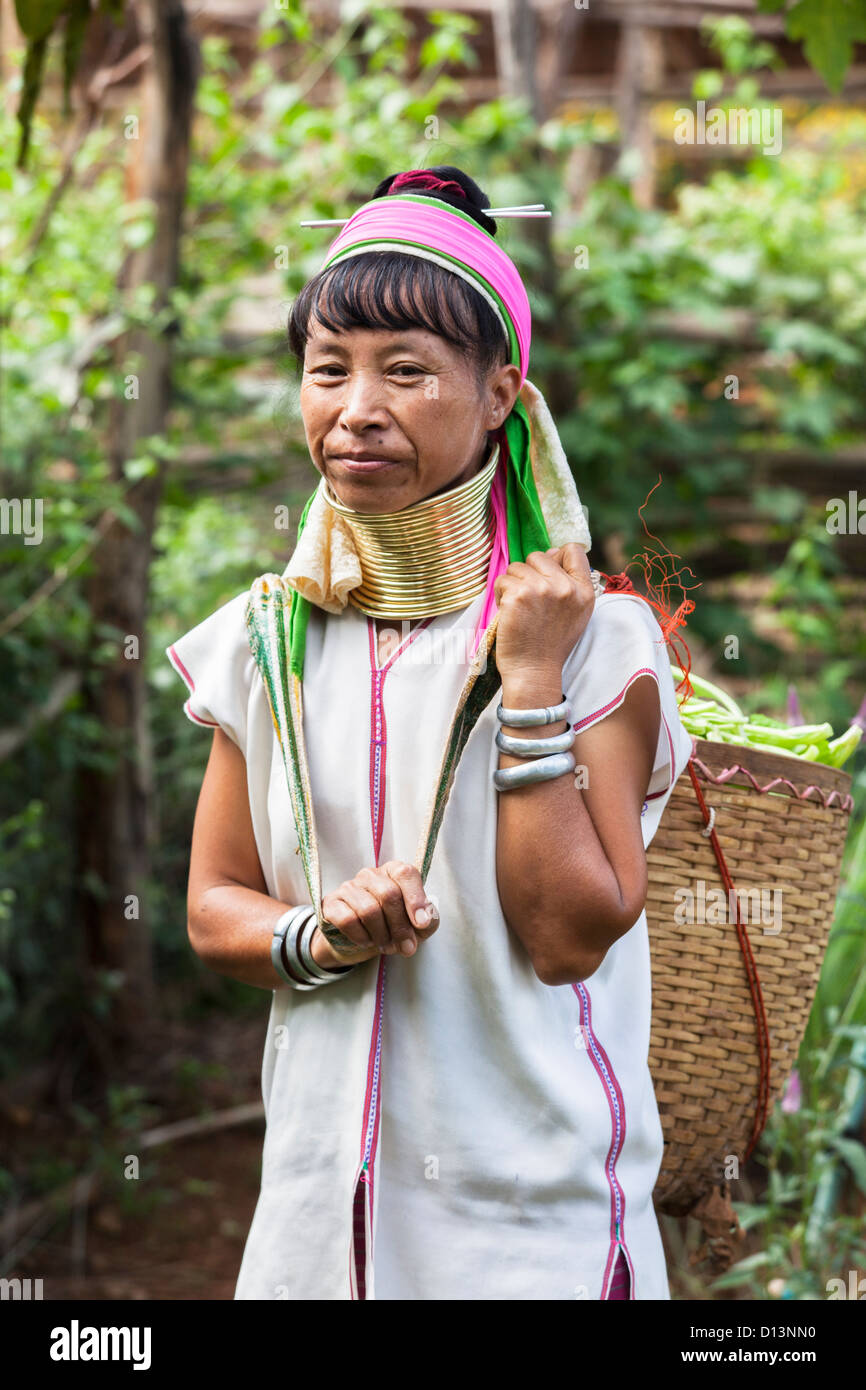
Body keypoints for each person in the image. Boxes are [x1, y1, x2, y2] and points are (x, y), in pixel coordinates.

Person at [166, 166, 694, 1301]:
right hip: (318, 1222)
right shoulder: (267, 638)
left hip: (528, 1229)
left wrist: (532, 673)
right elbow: (215, 907)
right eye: (328, 369)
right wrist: (320, 932)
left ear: (501, 394)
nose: (356, 406)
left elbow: (566, 936)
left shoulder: (592, 638)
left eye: (406, 371)